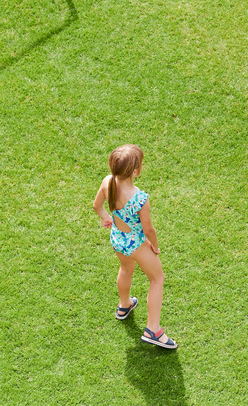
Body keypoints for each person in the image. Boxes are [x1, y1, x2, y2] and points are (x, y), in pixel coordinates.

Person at [92, 144, 177, 349]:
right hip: (136, 243)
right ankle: (153, 330)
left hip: (118, 240)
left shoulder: (107, 182)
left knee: (126, 269)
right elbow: (148, 230)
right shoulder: (140, 198)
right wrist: (155, 247)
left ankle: (124, 306)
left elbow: (97, 206)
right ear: (136, 171)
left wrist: (105, 218)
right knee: (157, 279)